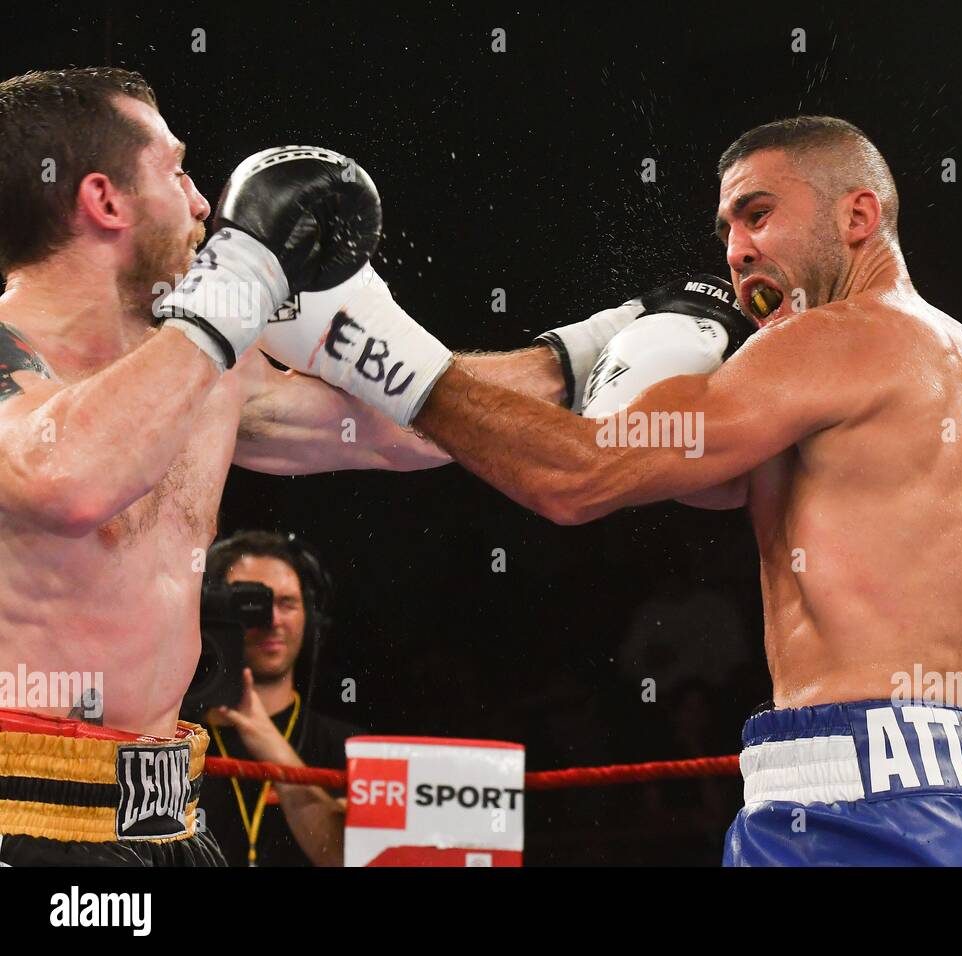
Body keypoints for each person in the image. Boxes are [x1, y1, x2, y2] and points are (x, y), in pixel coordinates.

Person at [393, 116, 962, 865]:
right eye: (727, 229)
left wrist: (383, 350)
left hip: (851, 806)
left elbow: (577, 477)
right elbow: (658, 467)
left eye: (759, 213)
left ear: (858, 216)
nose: (737, 249)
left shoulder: (827, 339)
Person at [0, 67, 567, 865]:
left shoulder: (207, 368)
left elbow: (401, 432)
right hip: (25, 820)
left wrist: (596, 352)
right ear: (106, 200)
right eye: (177, 170)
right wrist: (239, 287)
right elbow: (68, 480)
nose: (204, 204)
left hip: (167, 818)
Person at [199, 531, 363, 867]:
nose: (272, 621)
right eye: (252, 604)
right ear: (214, 612)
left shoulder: (350, 748)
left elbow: (348, 859)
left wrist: (269, 742)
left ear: (311, 617)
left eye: (287, 603)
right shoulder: (174, 743)